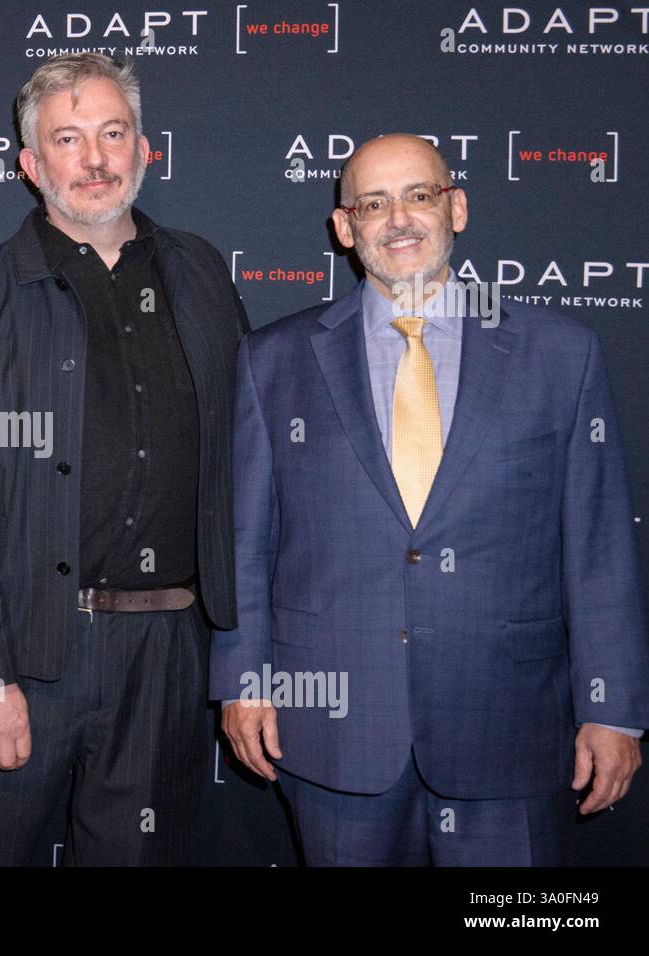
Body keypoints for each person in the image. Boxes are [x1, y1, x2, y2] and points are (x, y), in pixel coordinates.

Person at [213, 133, 649, 865]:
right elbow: (247, 544)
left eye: (419, 195)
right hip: (333, 731)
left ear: (458, 207)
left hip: (508, 729)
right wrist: (243, 679)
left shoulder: (560, 353)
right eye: (373, 203)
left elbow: (600, 548)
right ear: (344, 229)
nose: (399, 220)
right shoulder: (275, 361)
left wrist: (614, 709)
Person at [0, 53, 247, 866]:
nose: (94, 160)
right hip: (21, 654)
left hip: (167, 656)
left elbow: (246, 465)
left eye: (112, 133)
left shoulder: (200, 273)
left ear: (144, 149)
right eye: (67, 139)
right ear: (32, 166)